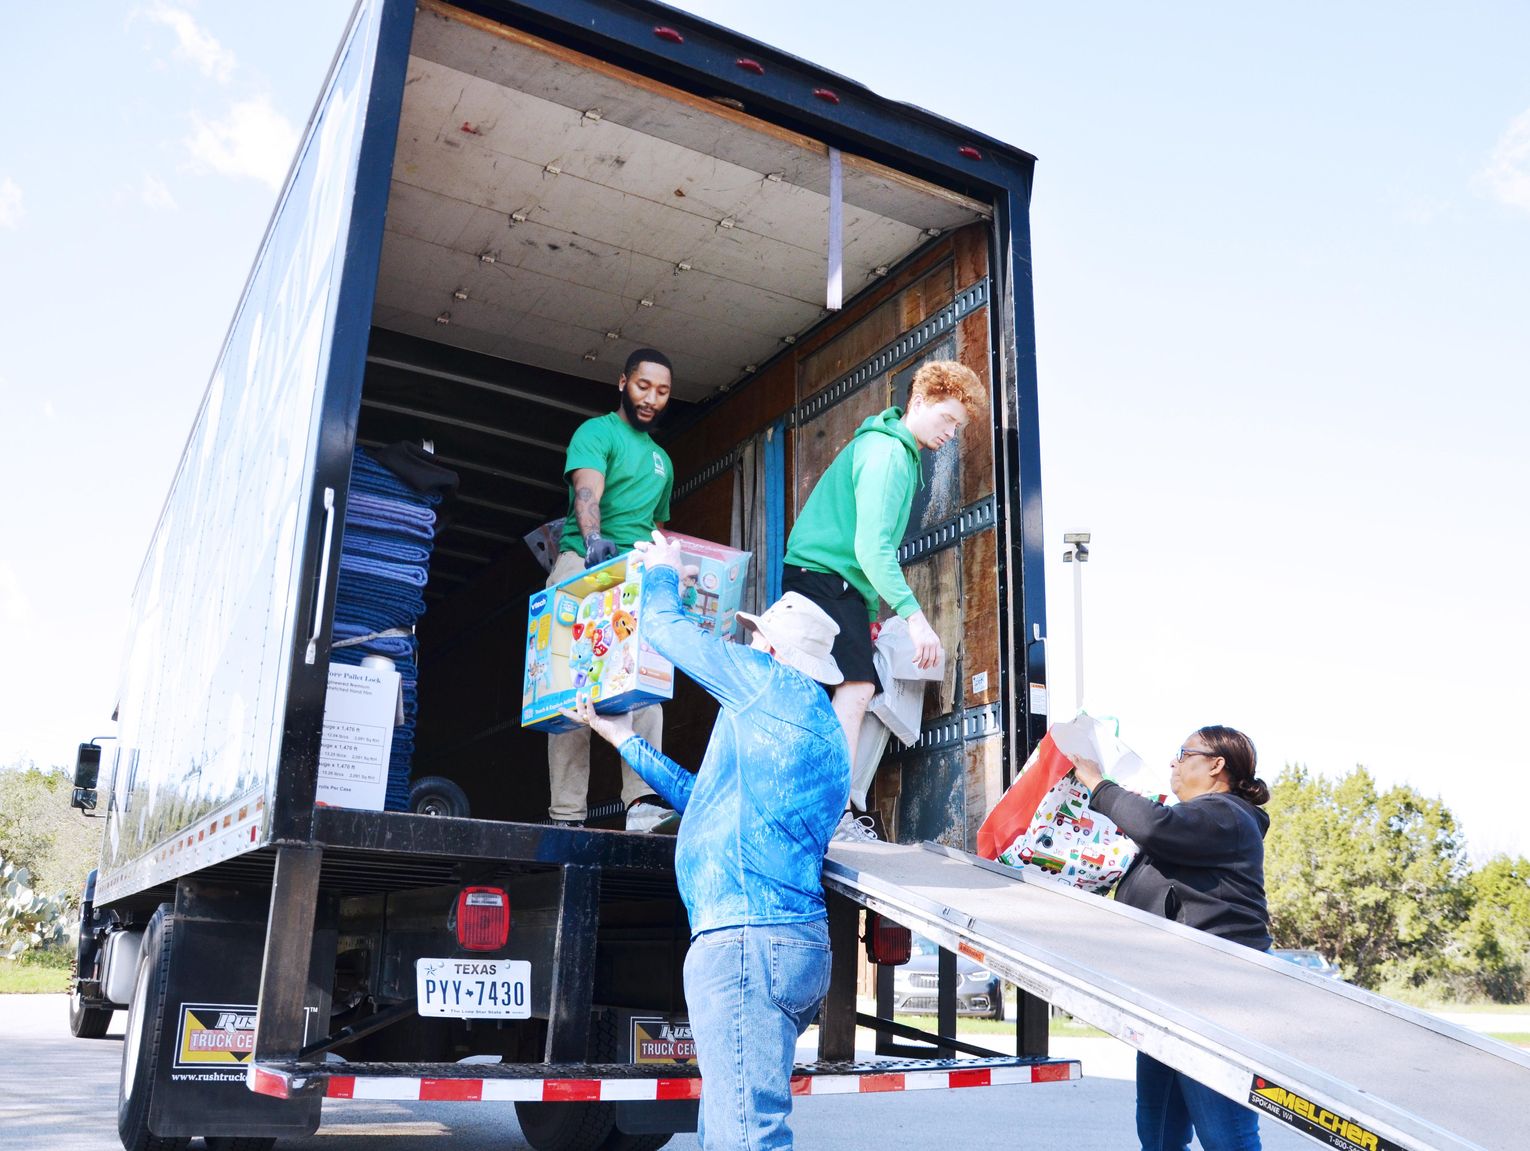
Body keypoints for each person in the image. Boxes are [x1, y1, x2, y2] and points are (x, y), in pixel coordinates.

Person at [562, 530, 850, 1151]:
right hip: (790, 944)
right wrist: (623, 739)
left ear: (769, 648)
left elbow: (664, 629)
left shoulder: (767, 683)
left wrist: (664, 570)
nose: (744, 647)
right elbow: (705, 800)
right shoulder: (819, 728)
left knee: (745, 1133)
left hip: (748, 941)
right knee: (729, 1125)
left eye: (753, 639)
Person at [781, 359, 984, 838]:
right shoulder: (889, 454)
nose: (950, 433)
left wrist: (869, 611)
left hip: (834, 581)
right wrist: (915, 618)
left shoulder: (898, 452)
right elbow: (871, 550)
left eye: (957, 426)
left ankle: (822, 810)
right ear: (919, 401)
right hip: (825, 577)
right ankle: (834, 815)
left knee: (839, 692)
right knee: (855, 690)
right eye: (947, 419)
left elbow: (871, 550)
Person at [1069, 725, 1272, 1151]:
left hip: (1211, 1001)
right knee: (1159, 1134)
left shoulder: (1227, 814)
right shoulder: (1195, 822)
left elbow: (1154, 827)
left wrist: (1099, 786)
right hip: (1169, 997)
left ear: (1216, 765)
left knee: (1225, 1136)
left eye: (1183, 753)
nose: (1173, 763)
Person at [546, 348, 676, 832]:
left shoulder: (663, 461)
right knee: (571, 693)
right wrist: (595, 542)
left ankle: (642, 804)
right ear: (623, 382)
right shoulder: (596, 432)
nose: (651, 399)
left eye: (662, 392)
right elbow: (588, 493)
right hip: (585, 566)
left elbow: (656, 526)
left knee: (646, 689)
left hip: (637, 576)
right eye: (643, 386)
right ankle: (566, 816)